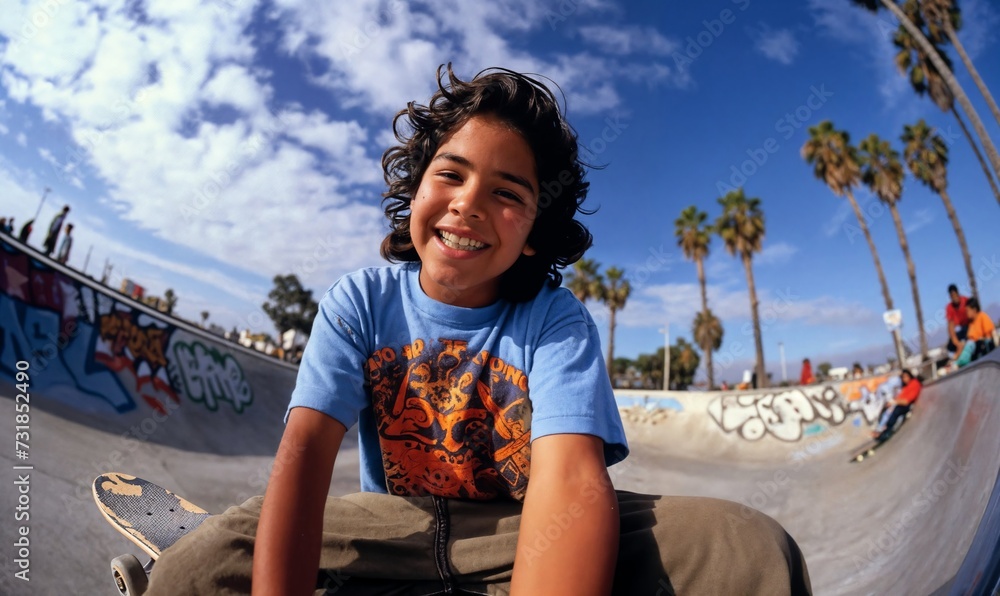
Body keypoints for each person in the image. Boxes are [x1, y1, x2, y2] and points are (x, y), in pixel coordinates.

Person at [143, 65, 811, 596]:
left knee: (745, 545)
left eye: (507, 193)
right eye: (452, 175)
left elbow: (574, 485)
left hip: (519, 533)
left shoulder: (553, 320)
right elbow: (306, 457)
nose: (469, 203)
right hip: (392, 529)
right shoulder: (362, 300)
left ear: (530, 236)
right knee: (198, 564)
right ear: (417, 192)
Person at [871, 369, 922, 440]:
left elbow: (906, 401)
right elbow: (899, 396)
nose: (905, 379)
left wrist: (894, 402)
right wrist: (891, 402)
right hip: (900, 403)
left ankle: (887, 430)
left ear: (910, 376)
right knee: (886, 410)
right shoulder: (905, 386)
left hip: (906, 405)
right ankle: (880, 429)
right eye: (903, 377)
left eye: (906, 377)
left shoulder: (915, 384)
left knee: (895, 411)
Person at [956, 297, 996, 366]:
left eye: (967, 311)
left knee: (970, 344)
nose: (966, 313)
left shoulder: (982, 317)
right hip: (974, 351)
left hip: (982, 349)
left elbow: (988, 338)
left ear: (974, 310)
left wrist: (978, 341)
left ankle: (958, 364)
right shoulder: (971, 323)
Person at [945, 284, 970, 356]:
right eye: (952, 296)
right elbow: (951, 327)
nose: (954, 297)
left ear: (958, 293)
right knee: (950, 347)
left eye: (955, 294)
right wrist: (957, 343)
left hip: (969, 327)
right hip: (960, 331)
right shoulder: (949, 307)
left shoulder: (965, 301)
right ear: (950, 296)